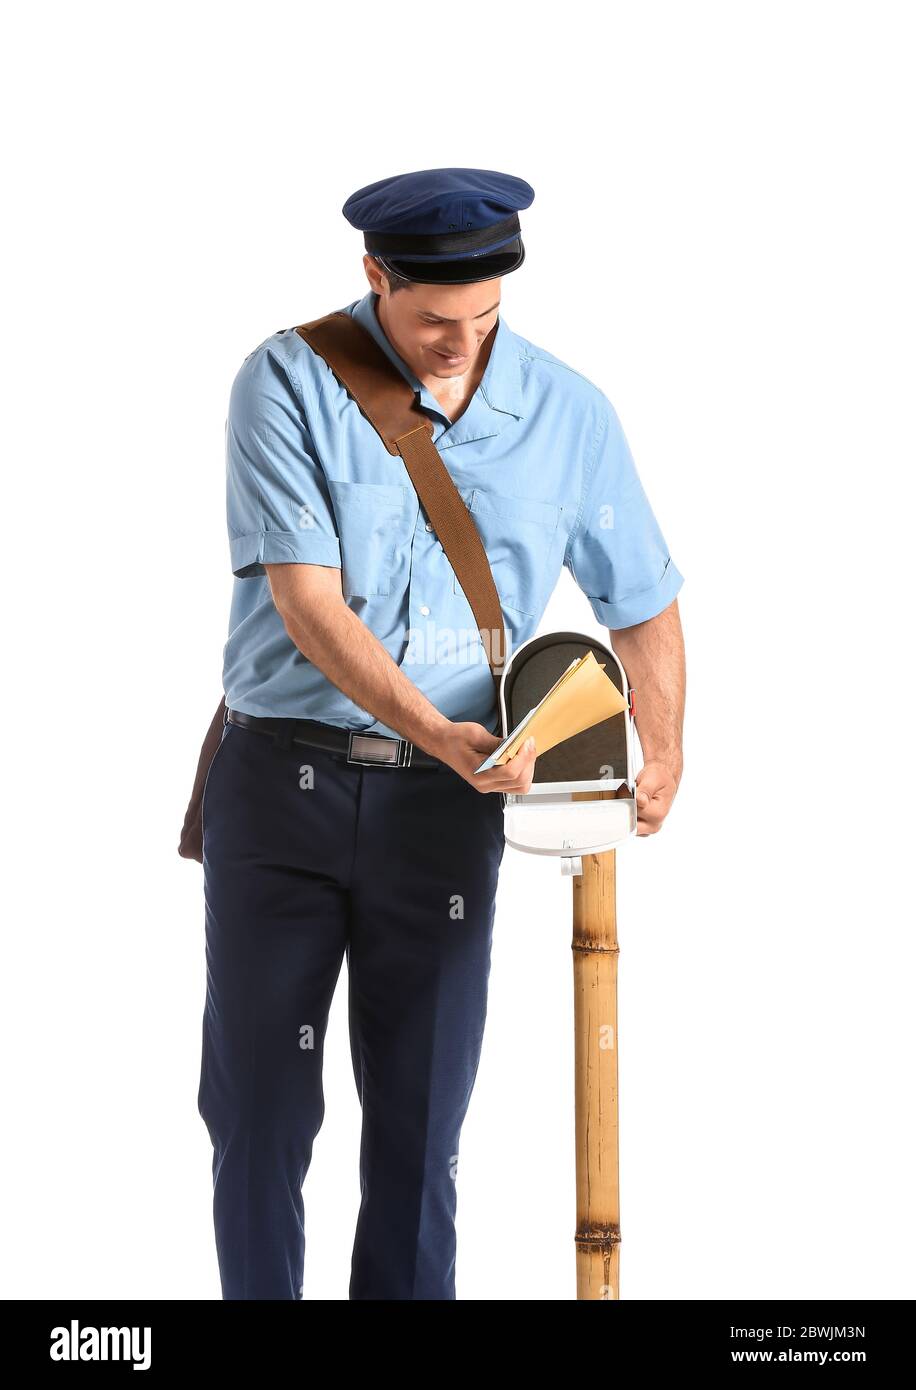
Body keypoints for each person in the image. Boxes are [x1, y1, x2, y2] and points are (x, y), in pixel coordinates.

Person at [196, 166, 686, 1300]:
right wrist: (436, 725)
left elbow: (643, 594)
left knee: (421, 1130)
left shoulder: (568, 412)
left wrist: (663, 750)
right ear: (375, 276)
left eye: (484, 319)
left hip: (444, 813)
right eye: (430, 320)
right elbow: (307, 600)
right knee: (261, 1111)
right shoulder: (286, 381)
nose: (459, 343)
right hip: (283, 787)